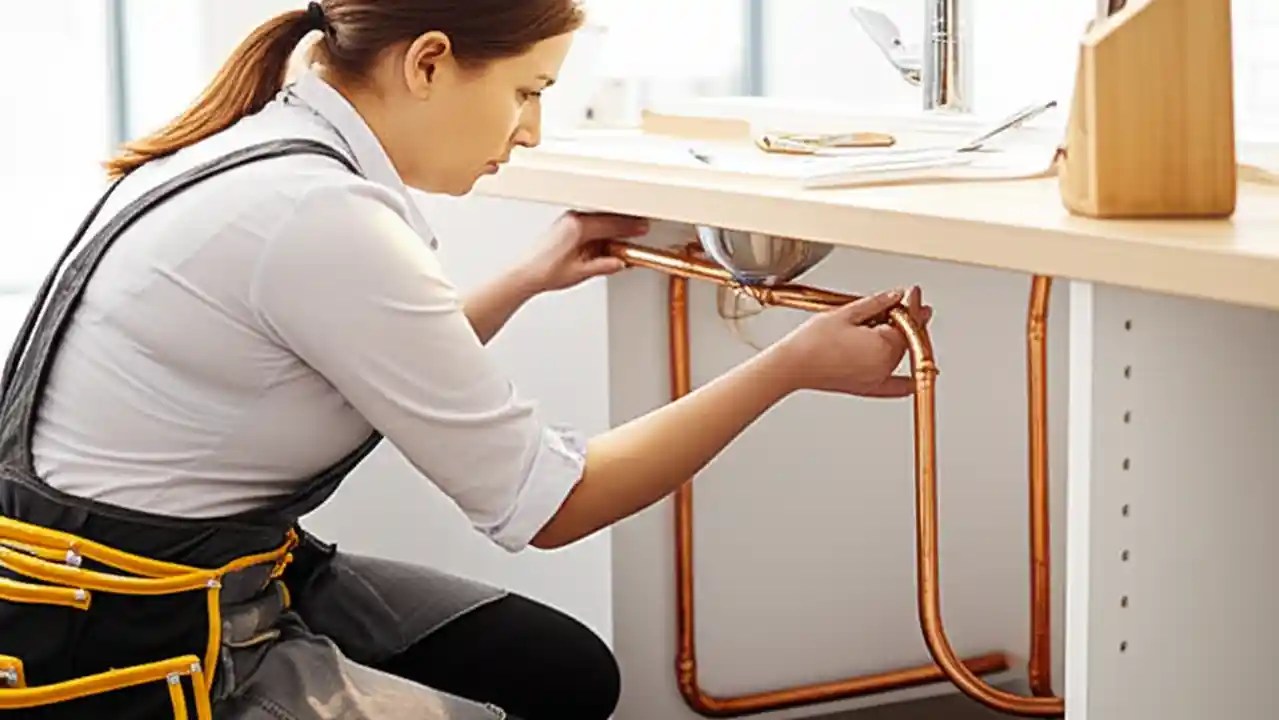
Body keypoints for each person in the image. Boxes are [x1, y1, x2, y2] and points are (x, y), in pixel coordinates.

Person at [0, 1, 931, 719]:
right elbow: (556, 505)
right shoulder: (319, 215)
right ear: (430, 62)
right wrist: (787, 366)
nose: (530, 132)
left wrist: (528, 276)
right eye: (528, 92)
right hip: (130, 639)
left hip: (200, 576)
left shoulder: (262, 154)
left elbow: (363, 364)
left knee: (559, 672)